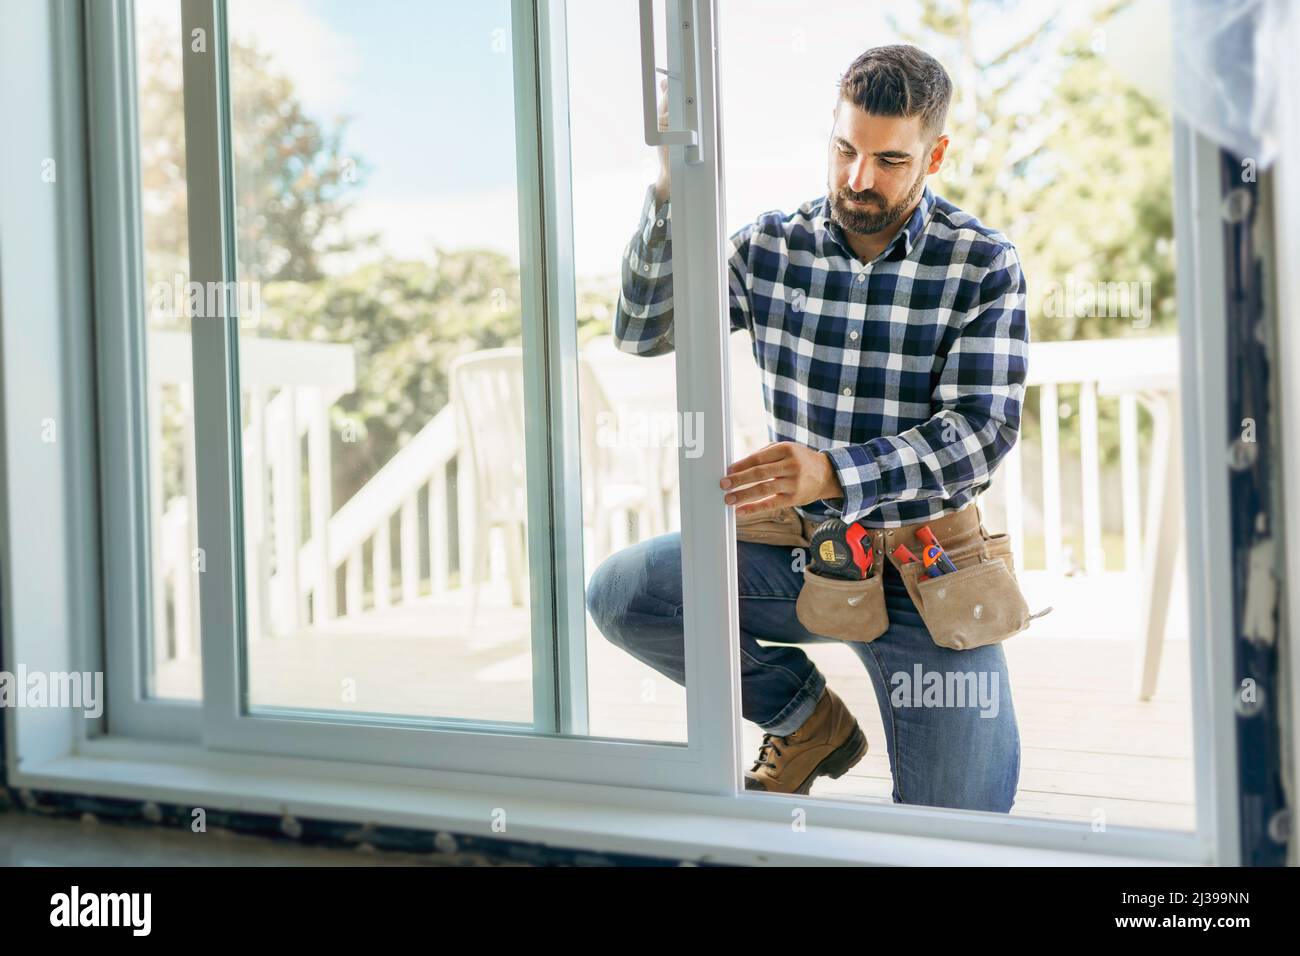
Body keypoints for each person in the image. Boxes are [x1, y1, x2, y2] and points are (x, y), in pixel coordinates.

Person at [586, 44, 1027, 810]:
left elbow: (981, 432)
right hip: (804, 557)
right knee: (627, 595)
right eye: (845, 149)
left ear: (936, 153)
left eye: (890, 160)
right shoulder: (769, 248)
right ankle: (807, 719)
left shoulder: (982, 264)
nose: (860, 179)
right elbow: (643, 329)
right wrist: (666, 187)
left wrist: (834, 471)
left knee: (966, 819)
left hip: (927, 567)